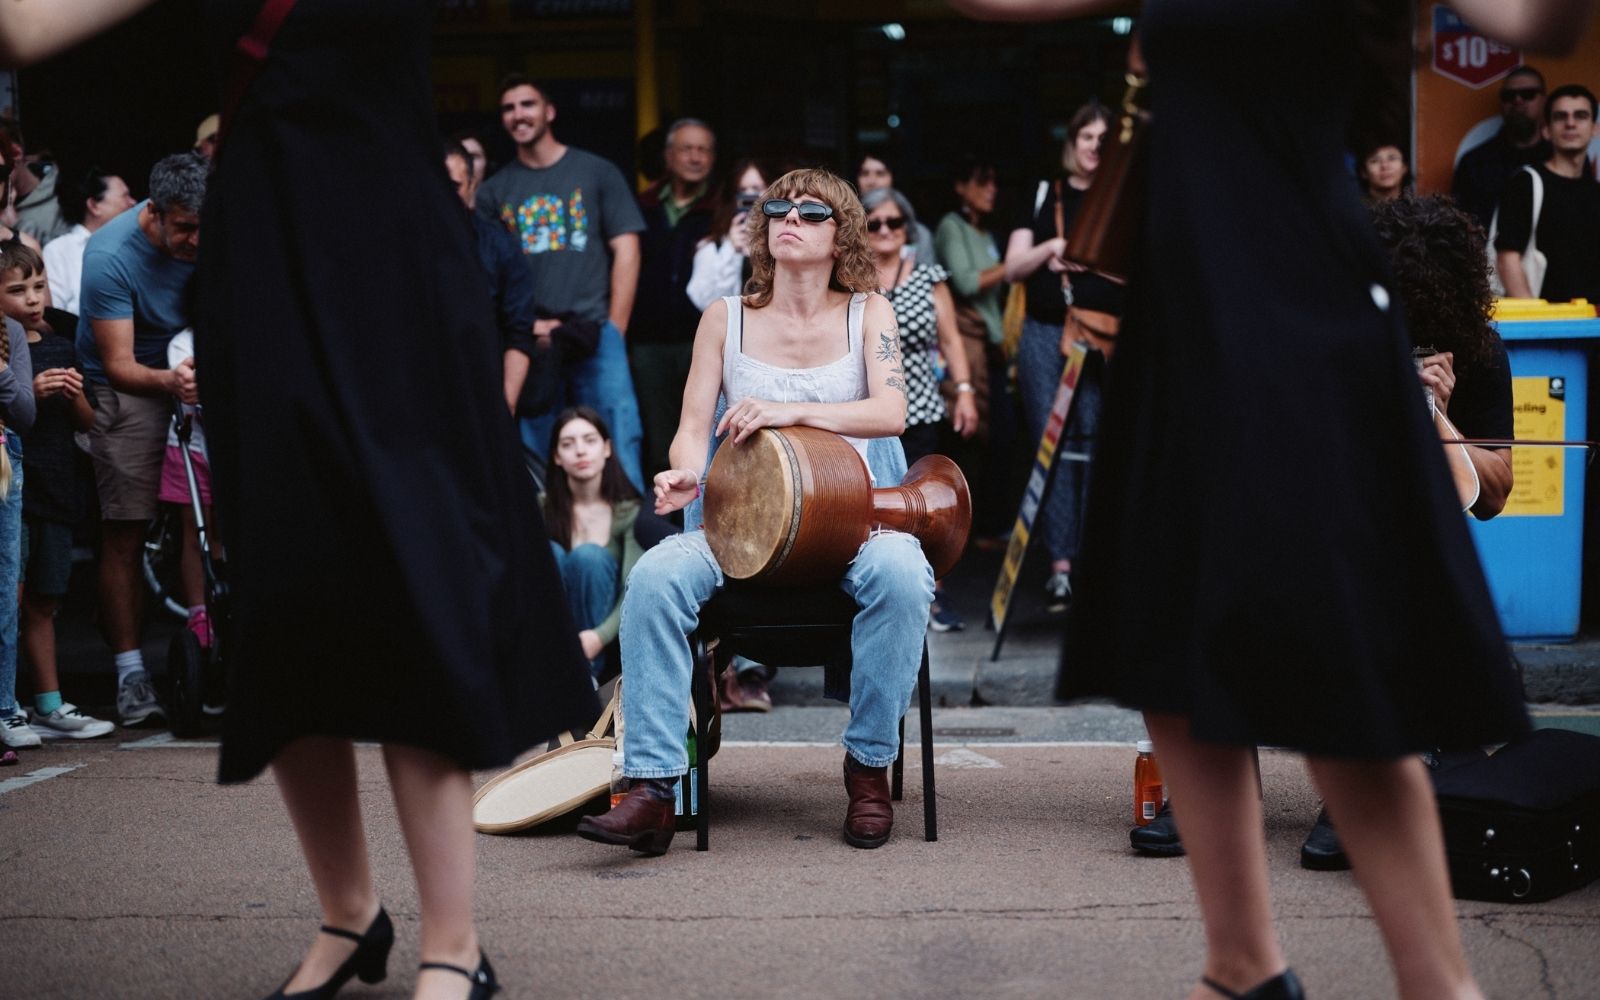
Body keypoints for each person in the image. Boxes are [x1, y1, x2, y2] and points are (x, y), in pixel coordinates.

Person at [953, 3, 1593, 999]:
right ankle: (1241, 966)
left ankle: (1439, 987)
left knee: (1338, 648)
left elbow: (1540, 20)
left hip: (1299, 291)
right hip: (1179, 298)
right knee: (1169, 633)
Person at [0, 7, 603, 1000]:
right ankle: (348, 913)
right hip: (261, 270)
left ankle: (453, 943)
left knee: (416, 579)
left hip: (394, 264)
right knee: (286, 593)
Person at [1133, 194, 1520, 867]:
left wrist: (1438, 417)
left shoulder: (1480, 351)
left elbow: (1493, 495)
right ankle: (1223, 790)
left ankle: (1362, 783)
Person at [576, 168, 934, 857]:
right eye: (778, 208)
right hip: (736, 523)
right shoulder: (725, 317)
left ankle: (867, 768)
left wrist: (791, 408)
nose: (789, 217)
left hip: (851, 526)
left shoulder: (870, 311)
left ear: (842, 236)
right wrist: (683, 470)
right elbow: (690, 426)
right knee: (654, 577)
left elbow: (892, 412)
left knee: (904, 573)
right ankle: (651, 786)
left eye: (810, 211)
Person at [78, 151, 208, 729]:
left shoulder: (215, 235)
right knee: (126, 529)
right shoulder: (108, 256)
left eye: (205, 227)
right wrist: (172, 380)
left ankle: (212, 645)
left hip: (198, 374)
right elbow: (120, 363)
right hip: (130, 384)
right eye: (184, 227)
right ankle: (131, 674)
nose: (196, 240)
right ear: (153, 212)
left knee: (202, 518)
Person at [477, 73, 648, 492]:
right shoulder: (494, 192)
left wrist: (615, 327)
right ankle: (549, 548)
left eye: (527, 104)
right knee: (537, 446)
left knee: (617, 436)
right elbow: (486, 273)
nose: (518, 114)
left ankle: (632, 550)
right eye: (508, 108)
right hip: (529, 339)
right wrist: (516, 329)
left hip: (592, 330)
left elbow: (627, 248)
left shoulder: (596, 171)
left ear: (549, 111)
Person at [1002, 102, 1120, 613]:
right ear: (1071, 142)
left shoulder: (1122, 198)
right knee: (1052, 445)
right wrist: (1055, 244)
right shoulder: (1045, 193)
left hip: (1107, 337)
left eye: (1104, 139)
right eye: (1087, 137)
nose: (1095, 146)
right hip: (1047, 334)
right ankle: (1060, 569)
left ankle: (1097, 564)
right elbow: (1011, 269)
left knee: (1097, 441)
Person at [0, 242, 110, 742]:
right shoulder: (7, 351)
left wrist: (72, 394)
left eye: (39, 287)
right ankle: (10, 704)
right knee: (10, 597)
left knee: (45, 600)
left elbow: (89, 423)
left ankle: (47, 702)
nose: (33, 299)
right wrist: (32, 391)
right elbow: (16, 414)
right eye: (17, 290)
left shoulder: (61, 344)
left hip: (57, 485)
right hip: (16, 487)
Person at [861, 185, 977, 631]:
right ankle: (887, 593)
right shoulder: (851, 279)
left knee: (924, 504)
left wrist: (964, 390)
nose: (886, 231)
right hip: (870, 411)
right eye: (875, 224)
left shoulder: (929, 276)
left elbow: (949, 339)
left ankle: (932, 593)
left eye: (895, 222)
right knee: (880, 502)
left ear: (907, 228)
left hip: (923, 407)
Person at [544, 406, 674, 681]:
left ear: (606, 448)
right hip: (553, 637)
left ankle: (585, 675)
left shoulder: (627, 511)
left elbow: (632, 586)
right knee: (550, 551)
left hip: (601, 640)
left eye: (589, 441)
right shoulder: (542, 508)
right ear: (557, 456)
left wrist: (598, 637)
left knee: (589, 557)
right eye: (568, 444)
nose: (580, 451)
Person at [630, 118, 720, 481]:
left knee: (704, 427)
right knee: (656, 427)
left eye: (704, 150)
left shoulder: (723, 208)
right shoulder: (642, 205)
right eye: (687, 148)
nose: (695, 157)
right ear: (669, 155)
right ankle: (663, 513)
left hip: (701, 338)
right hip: (648, 338)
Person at [933, 154, 1015, 541]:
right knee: (974, 435)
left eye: (994, 182)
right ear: (961, 186)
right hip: (968, 344)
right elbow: (966, 283)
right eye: (982, 181)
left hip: (994, 344)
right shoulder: (952, 227)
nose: (991, 190)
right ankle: (966, 529)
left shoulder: (985, 233)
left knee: (1000, 436)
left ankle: (985, 525)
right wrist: (1016, 265)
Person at [445, 140, 537, 413]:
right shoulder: (405, 248)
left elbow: (518, 331)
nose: (443, 196)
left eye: (454, 187)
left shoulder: (500, 246)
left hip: (484, 391)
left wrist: (505, 406)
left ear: (472, 184)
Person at [1495, 83, 1600, 303]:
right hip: (1545, 326)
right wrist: (1536, 322)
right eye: (1561, 116)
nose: (1570, 123)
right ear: (1546, 130)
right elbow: (1507, 259)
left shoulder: (1595, 191)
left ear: (1595, 128)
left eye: (1580, 116)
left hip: (1593, 325)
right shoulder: (1526, 183)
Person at [0, 247, 38, 750]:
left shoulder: (10, 334)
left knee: (5, 590)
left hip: (4, 467)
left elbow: (26, 413)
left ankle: (4, 708)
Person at [1452, 65, 1550, 231]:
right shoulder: (1474, 163)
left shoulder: (1561, 159)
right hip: (1490, 254)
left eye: (1528, 94)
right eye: (1508, 96)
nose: (1517, 100)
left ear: (1544, 100)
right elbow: (1460, 226)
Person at [42, 166, 137, 315]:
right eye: (125, 196)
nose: (133, 203)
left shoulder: (135, 246)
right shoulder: (59, 250)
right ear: (94, 205)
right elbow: (55, 314)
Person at [685, 157, 769, 311]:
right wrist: (731, 249)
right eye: (742, 190)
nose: (750, 196)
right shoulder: (712, 246)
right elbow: (706, 303)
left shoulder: (786, 240)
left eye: (757, 188)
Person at [854, 151, 936, 266]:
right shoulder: (846, 229)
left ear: (894, 178)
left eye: (880, 173)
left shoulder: (919, 234)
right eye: (864, 173)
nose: (871, 181)